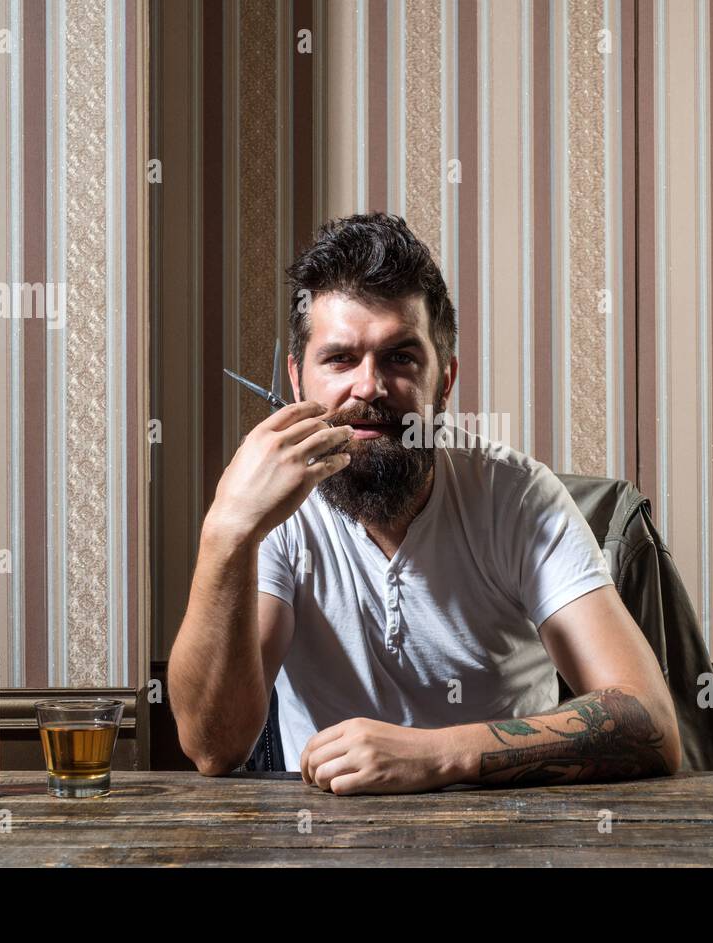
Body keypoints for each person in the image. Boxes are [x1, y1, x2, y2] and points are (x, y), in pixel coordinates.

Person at [168, 212, 681, 795]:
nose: (368, 388)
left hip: (508, 844)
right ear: (296, 380)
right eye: (339, 359)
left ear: (445, 380)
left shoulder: (519, 497)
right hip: (322, 844)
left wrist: (438, 755)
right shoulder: (277, 512)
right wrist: (227, 530)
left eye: (400, 358)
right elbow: (213, 747)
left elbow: (652, 723)